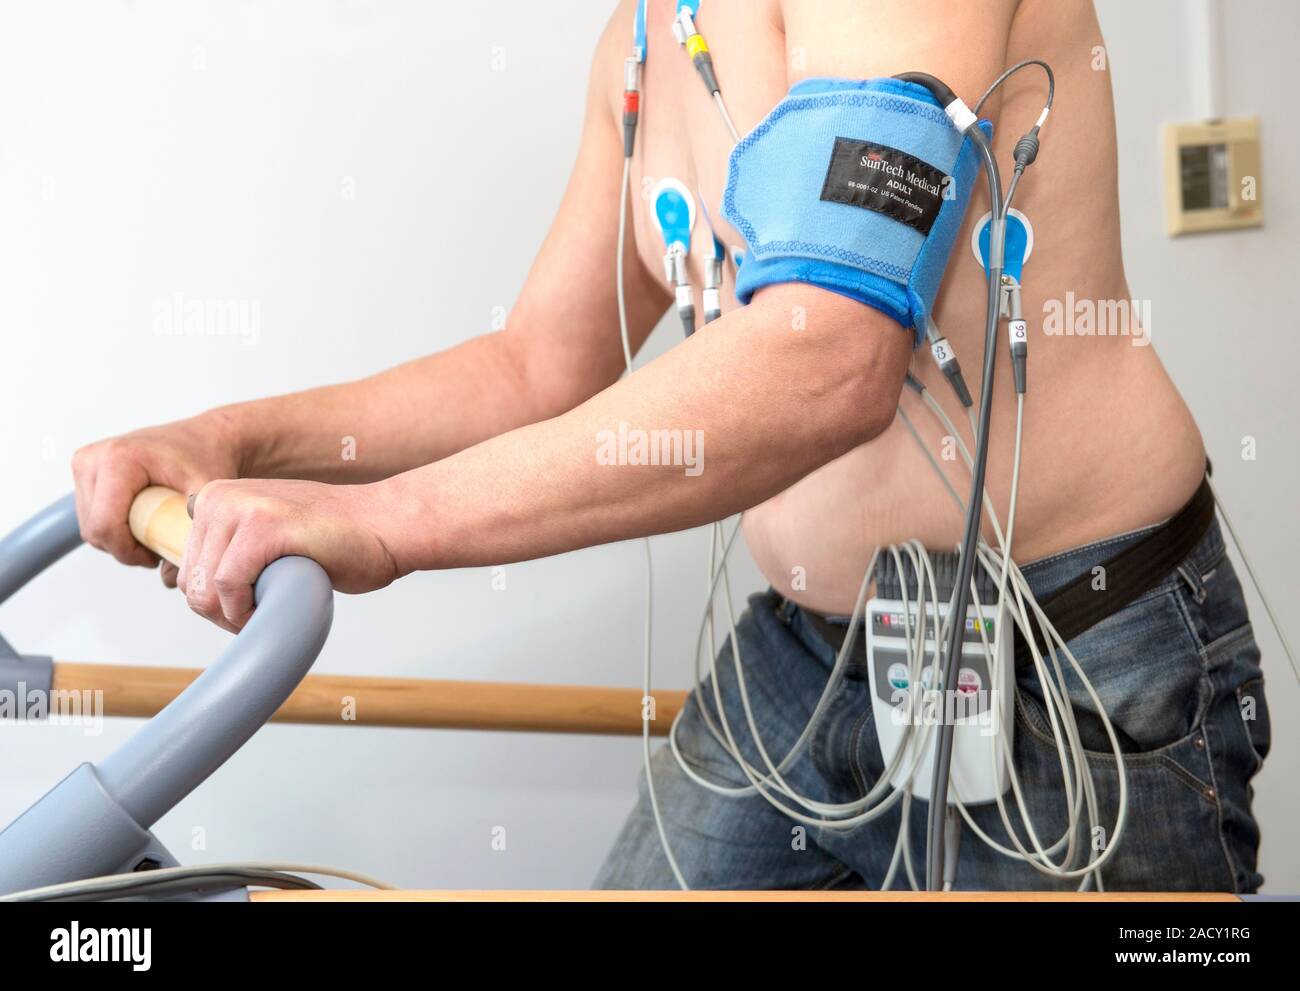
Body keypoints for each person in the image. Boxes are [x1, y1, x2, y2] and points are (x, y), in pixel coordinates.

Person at [70, 0, 1269, 891]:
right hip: (817, 654)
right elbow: (536, 364)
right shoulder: (644, 42)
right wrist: (225, 442)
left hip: (1071, 648)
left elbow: (827, 355)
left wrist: (382, 525)